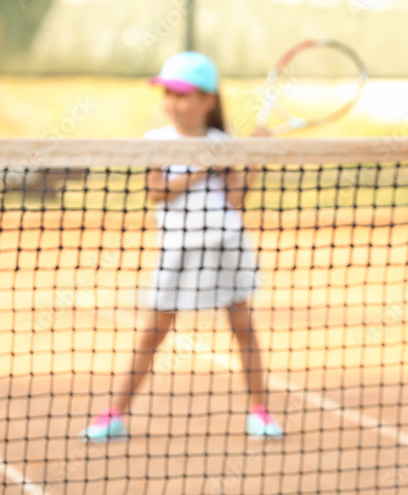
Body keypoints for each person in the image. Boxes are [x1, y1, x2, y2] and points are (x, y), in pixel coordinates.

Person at [82, 51, 283, 441]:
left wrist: (254, 159)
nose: (172, 103)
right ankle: (114, 414)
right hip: (178, 250)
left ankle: (260, 412)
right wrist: (204, 165)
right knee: (153, 332)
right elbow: (157, 191)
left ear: (207, 100)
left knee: (243, 329)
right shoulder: (156, 142)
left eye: (182, 94)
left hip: (227, 245)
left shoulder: (222, 141)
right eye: (167, 94)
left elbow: (236, 198)